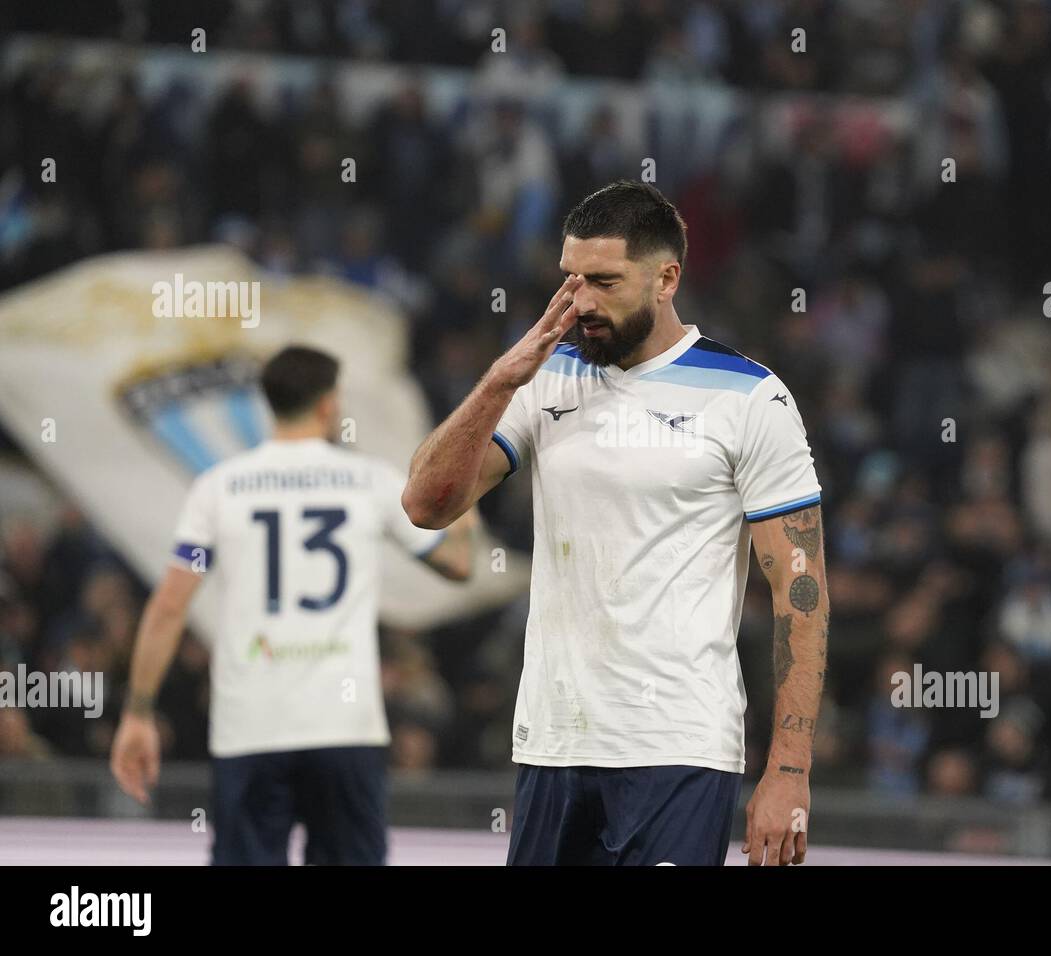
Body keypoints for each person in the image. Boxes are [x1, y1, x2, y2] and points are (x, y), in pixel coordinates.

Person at [403, 181, 829, 865]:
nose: (582, 303)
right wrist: (501, 380)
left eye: (605, 282)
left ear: (666, 279)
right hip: (553, 742)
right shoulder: (546, 378)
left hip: (677, 746)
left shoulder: (750, 397)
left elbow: (800, 593)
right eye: (571, 280)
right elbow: (426, 505)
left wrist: (788, 769)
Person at [110, 345, 478, 865]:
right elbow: (457, 565)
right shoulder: (369, 481)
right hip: (344, 727)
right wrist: (467, 506)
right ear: (328, 403)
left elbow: (170, 605)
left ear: (269, 403)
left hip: (251, 727)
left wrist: (138, 712)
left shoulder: (219, 487)